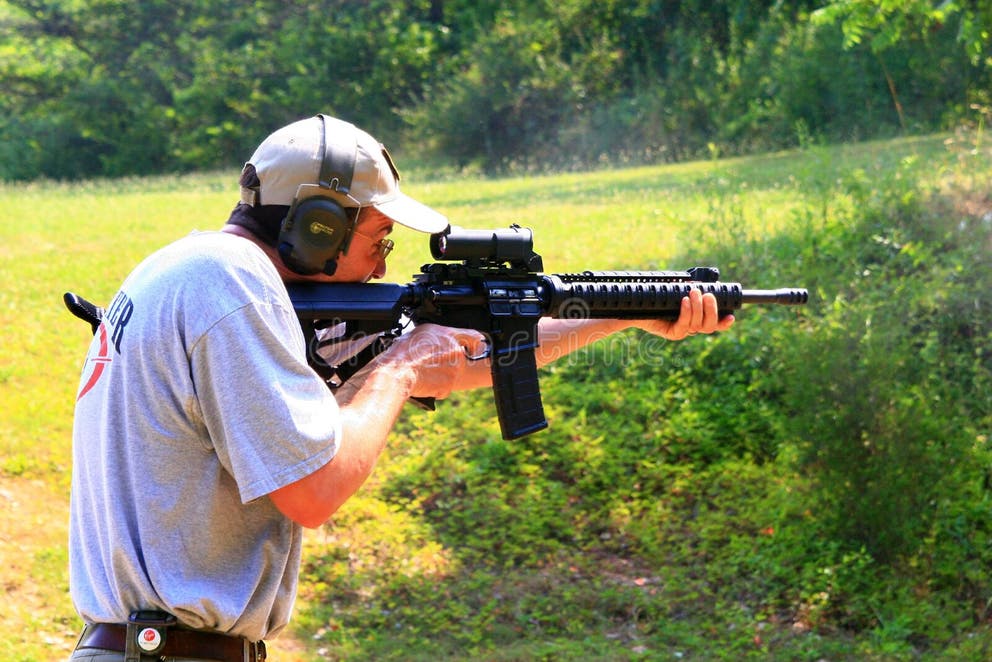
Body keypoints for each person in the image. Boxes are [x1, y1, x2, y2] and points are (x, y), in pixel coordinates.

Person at [68, 114, 734, 661]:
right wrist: (399, 369)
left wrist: (627, 315)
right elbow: (314, 488)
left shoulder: (196, 275)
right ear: (316, 227)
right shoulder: (231, 285)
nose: (385, 261)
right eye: (379, 237)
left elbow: (465, 356)